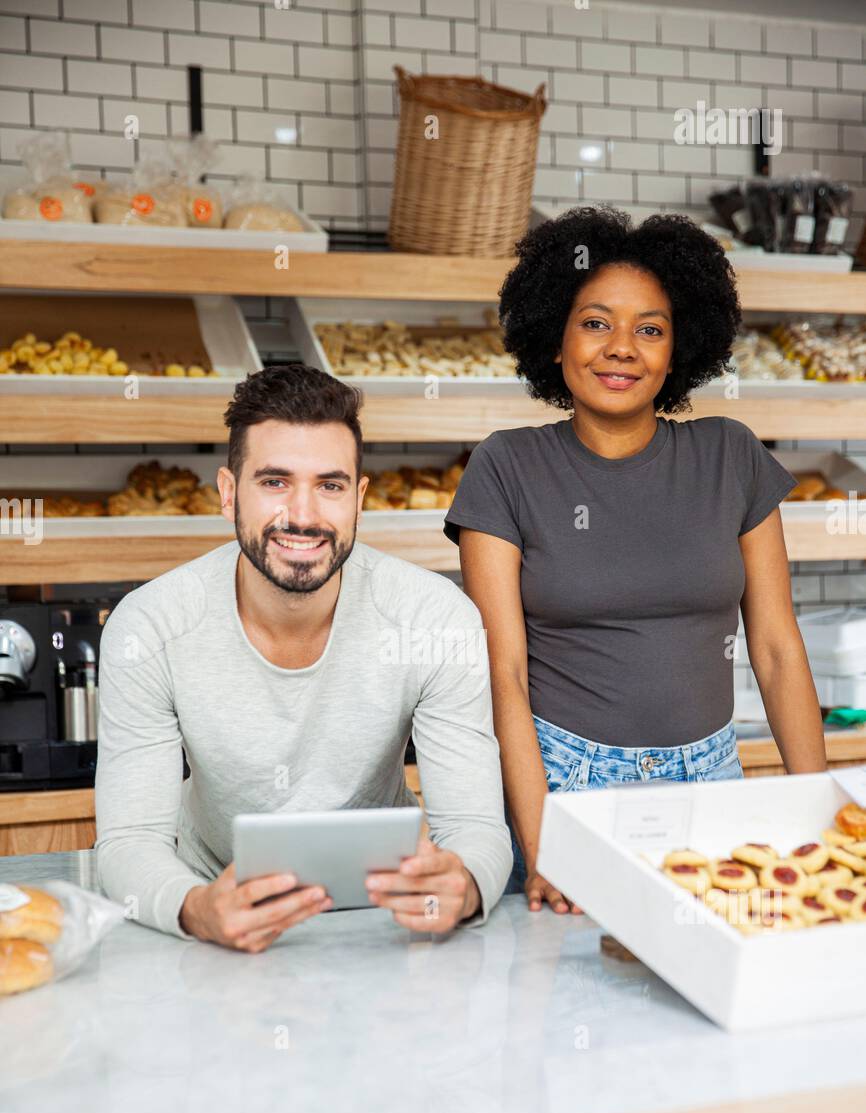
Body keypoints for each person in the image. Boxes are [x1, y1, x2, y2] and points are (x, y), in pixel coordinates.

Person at [443, 205, 826, 913]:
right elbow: (506, 674)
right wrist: (541, 840)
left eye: (650, 329)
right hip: (566, 786)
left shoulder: (731, 456)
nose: (622, 347)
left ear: (678, 352)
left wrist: (819, 819)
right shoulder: (506, 468)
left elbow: (776, 649)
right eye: (595, 323)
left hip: (713, 781)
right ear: (554, 340)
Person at [95, 365, 512, 951]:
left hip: (388, 922)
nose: (304, 514)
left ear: (360, 499)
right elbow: (129, 841)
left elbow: (475, 829)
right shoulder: (148, 626)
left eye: (330, 485)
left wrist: (463, 886)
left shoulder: (436, 619)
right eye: (274, 482)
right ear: (226, 492)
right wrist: (196, 910)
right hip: (208, 906)